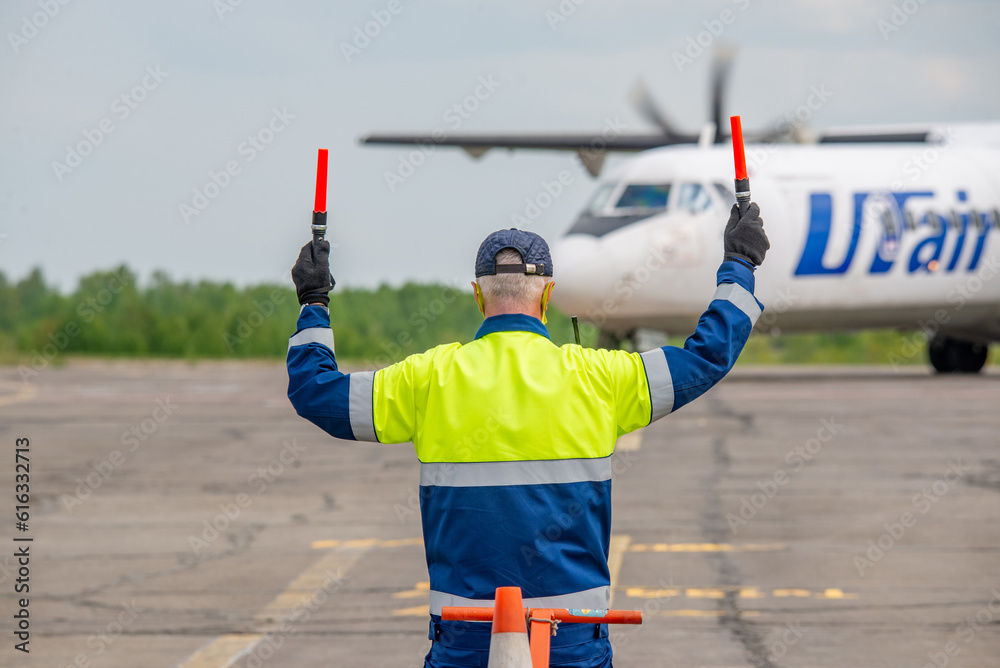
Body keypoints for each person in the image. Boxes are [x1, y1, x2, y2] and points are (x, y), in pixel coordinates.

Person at [287, 203, 769, 667]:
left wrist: (314, 301)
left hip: (467, 632)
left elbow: (315, 391)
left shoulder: (428, 379)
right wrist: (739, 265)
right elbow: (706, 357)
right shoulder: (599, 377)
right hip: (571, 632)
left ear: (478, 296)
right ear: (548, 293)